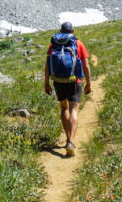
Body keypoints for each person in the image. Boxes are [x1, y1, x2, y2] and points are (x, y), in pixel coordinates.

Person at [44, 21, 91, 157]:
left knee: (64, 108)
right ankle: (71, 141)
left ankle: (67, 138)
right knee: (73, 110)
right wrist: (88, 83)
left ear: (60, 31)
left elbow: (47, 65)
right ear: (73, 32)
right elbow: (86, 66)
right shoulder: (78, 44)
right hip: (74, 80)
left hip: (58, 80)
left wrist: (46, 83)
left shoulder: (53, 44)